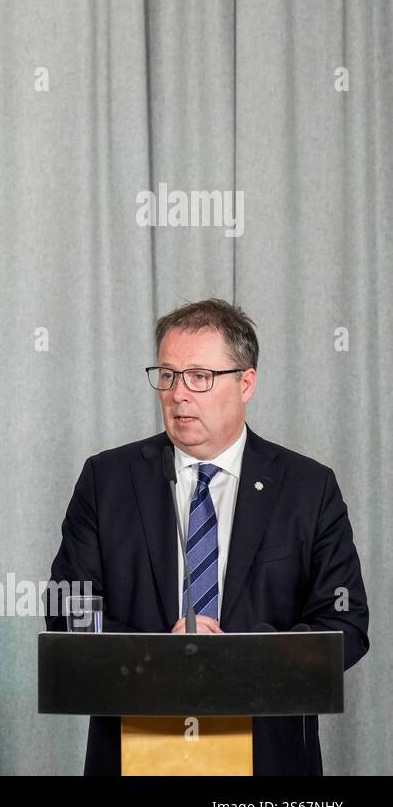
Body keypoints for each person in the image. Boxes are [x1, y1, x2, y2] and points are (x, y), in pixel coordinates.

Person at [46, 298, 369, 775]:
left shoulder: (308, 488)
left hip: (266, 756)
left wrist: (237, 654)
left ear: (246, 383)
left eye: (200, 376)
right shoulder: (107, 479)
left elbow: (344, 626)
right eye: (169, 375)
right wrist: (157, 653)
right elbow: (67, 612)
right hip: (137, 749)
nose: (179, 394)